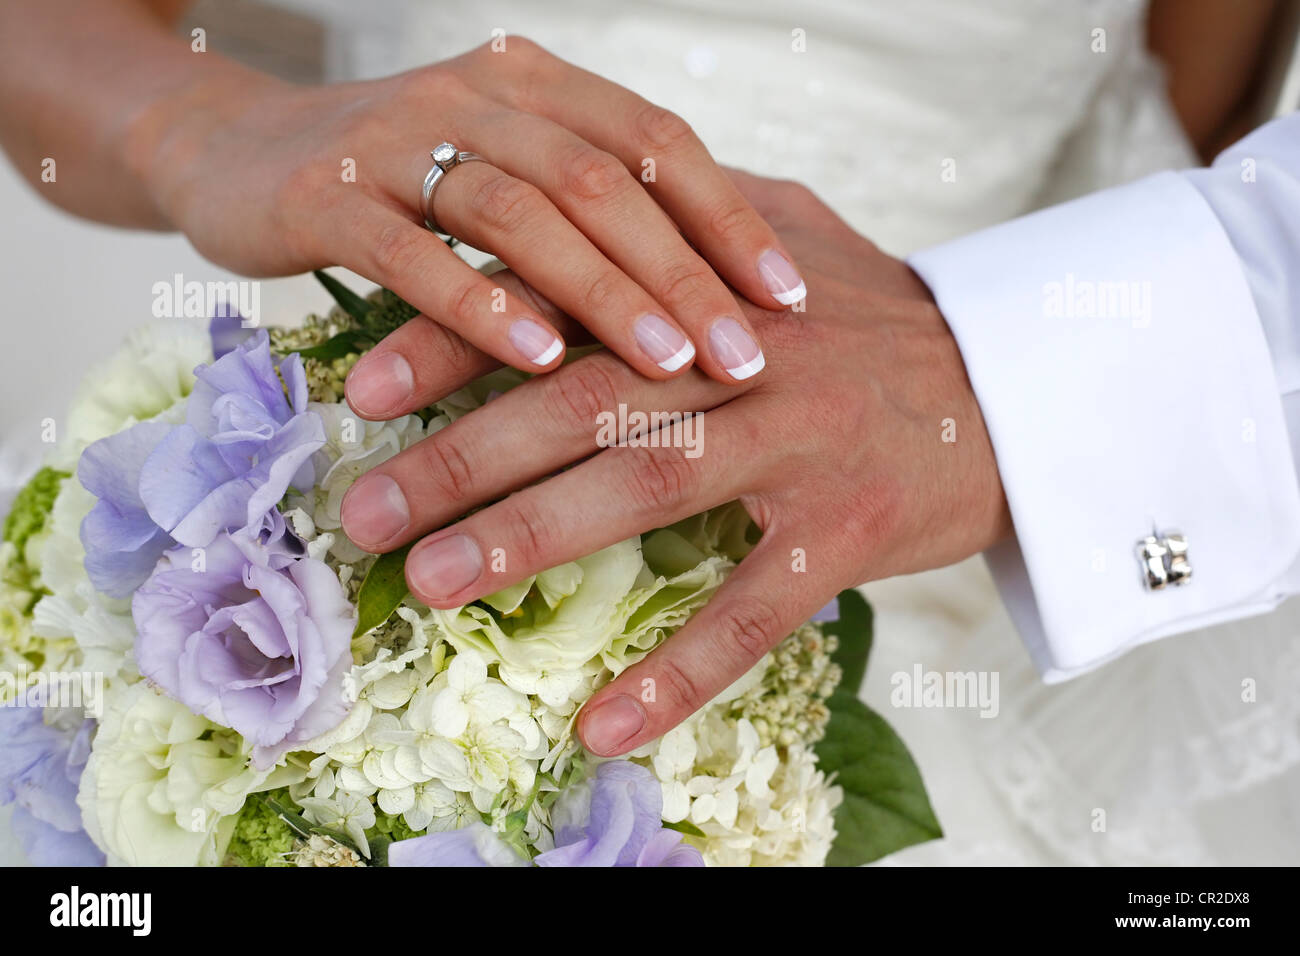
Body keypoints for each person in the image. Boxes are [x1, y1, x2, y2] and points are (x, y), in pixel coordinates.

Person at [3, 0, 1297, 863]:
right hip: (356, 425)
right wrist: (190, 122)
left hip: (930, 528)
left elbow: (1188, 90)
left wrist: (1008, 363)